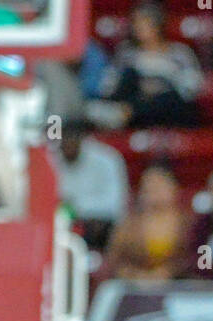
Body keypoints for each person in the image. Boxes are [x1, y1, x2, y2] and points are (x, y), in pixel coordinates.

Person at [95, 2, 203, 129]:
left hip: (167, 108)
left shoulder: (180, 53)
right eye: (135, 22)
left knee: (171, 100)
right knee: (130, 75)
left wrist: (163, 76)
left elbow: (191, 89)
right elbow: (109, 85)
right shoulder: (125, 53)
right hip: (134, 106)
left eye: (144, 22)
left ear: (158, 25)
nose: (138, 27)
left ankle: (130, 112)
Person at [52, 116, 130, 253]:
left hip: (99, 226)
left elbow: (116, 204)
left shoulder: (107, 159)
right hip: (64, 225)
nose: (67, 145)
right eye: (63, 141)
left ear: (82, 139)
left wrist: (76, 206)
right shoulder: (53, 159)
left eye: (71, 139)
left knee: (98, 225)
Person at [104, 163, 190, 281]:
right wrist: (134, 275)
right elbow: (114, 259)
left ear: (173, 188)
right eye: (148, 186)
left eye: (159, 185)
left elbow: (193, 259)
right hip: (134, 286)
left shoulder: (188, 223)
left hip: (178, 287)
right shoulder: (129, 223)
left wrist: (167, 273)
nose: (153, 190)